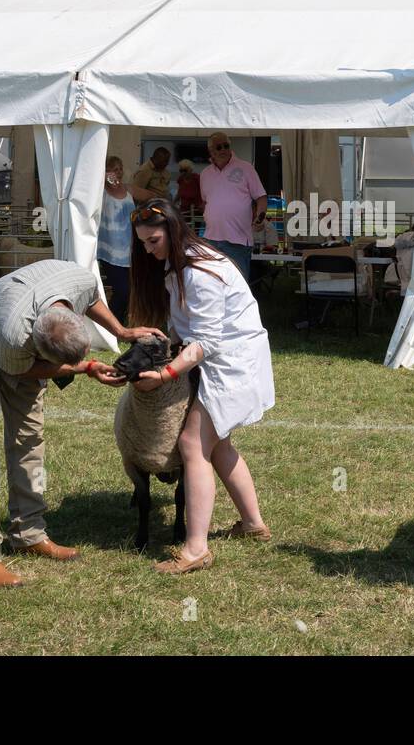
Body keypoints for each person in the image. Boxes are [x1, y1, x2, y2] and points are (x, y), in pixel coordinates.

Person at [0, 259, 164, 587]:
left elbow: (92, 298)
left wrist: (121, 331)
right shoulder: (15, 334)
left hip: (21, 348)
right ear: (37, 348)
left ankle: (29, 533)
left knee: (29, 439)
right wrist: (83, 369)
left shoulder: (79, 280)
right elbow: (18, 370)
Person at [129, 198, 275, 574]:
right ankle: (253, 524)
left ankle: (196, 549)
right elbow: (188, 328)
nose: (148, 249)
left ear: (173, 231)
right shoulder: (180, 264)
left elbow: (206, 342)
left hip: (231, 364)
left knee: (193, 443)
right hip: (221, 362)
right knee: (218, 443)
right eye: (143, 243)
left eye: (153, 241)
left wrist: (166, 374)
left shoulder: (199, 271)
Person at [198, 132, 267, 279]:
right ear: (211, 151)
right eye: (218, 147)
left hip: (238, 241)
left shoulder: (246, 168)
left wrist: (260, 219)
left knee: (238, 289)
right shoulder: (205, 174)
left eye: (226, 146)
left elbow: (261, 197)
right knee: (212, 286)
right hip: (211, 240)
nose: (223, 149)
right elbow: (206, 202)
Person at [98, 155, 138, 324]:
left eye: (120, 168)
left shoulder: (128, 190)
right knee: (122, 290)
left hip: (129, 250)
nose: (118, 172)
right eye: (113, 169)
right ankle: (113, 325)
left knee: (129, 291)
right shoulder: (100, 192)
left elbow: (152, 196)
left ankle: (121, 322)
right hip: (109, 251)